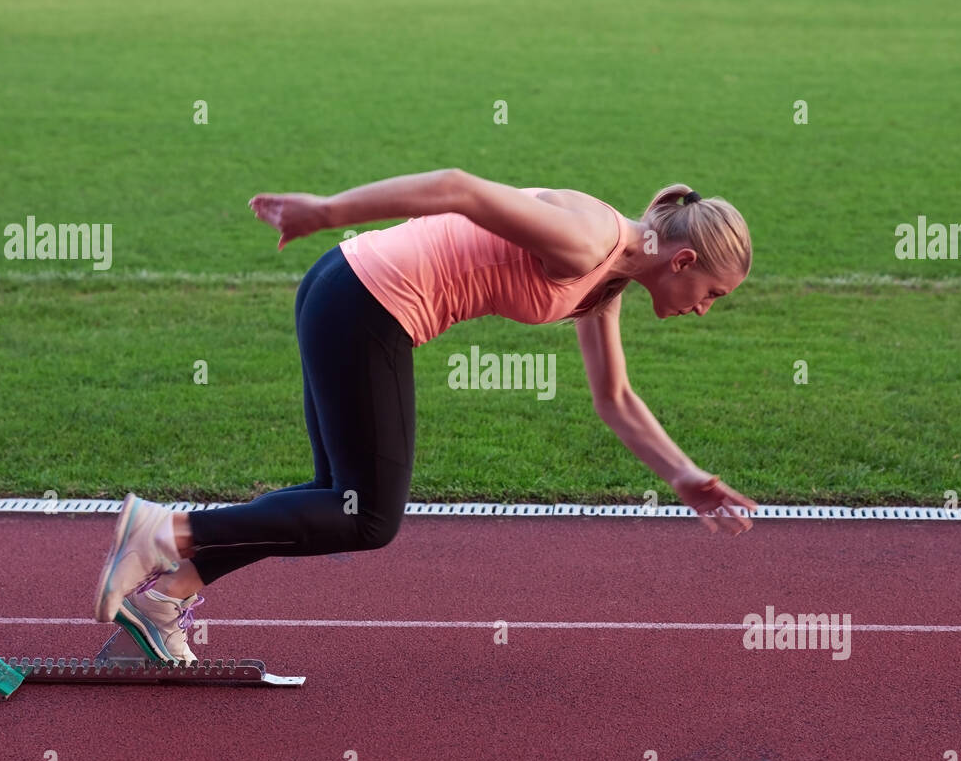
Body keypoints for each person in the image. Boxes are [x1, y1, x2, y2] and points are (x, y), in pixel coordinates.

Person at [92, 168, 757, 661]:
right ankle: (163, 529)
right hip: (366, 304)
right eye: (711, 295)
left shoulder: (610, 274)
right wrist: (326, 209)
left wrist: (683, 475)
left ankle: (164, 597)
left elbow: (614, 397)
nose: (704, 309)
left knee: (336, 500)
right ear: (685, 260)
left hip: (344, 291)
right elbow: (457, 187)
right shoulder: (589, 240)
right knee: (368, 515)